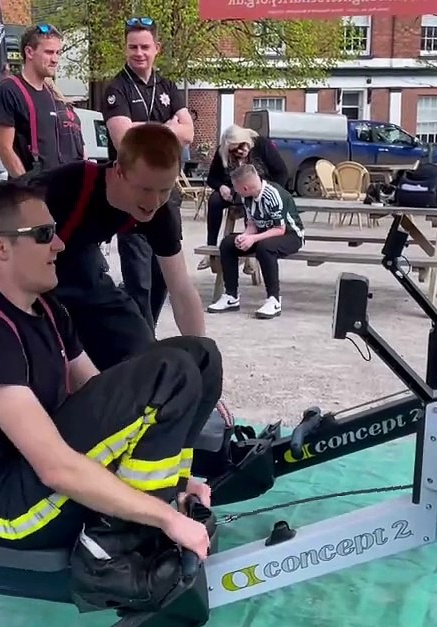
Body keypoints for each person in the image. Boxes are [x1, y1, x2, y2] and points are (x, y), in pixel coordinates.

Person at [0, 179, 222, 610]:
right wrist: (165, 518)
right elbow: (55, 468)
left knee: (198, 357)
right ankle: (106, 559)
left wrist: (175, 479)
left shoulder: (46, 309)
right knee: (168, 372)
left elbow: (100, 396)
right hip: (14, 510)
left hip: (41, 482)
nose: (61, 244)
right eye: (45, 234)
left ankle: (146, 513)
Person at [37, 122, 207, 371]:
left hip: (85, 269)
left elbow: (181, 288)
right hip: (33, 271)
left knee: (139, 347)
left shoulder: (161, 211)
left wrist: (203, 361)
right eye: (145, 189)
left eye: (165, 190)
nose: (153, 202)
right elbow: (2, 236)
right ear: (118, 171)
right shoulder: (66, 186)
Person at [101, 16, 194, 328]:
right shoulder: (117, 88)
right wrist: (167, 128)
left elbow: (190, 131)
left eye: (144, 47)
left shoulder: (166, 86)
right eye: (132, 47)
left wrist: (148, 129)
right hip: (132, 195)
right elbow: (123, 137)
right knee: (138, 278)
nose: (138, 53)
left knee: (164, 273)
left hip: (167, 194)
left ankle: (146, 332)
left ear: (157, 49)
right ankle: (140, 342)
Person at [207, 163, 305, 320]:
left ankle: (274, 299)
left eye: (235, 188)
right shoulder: (247, 197)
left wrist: (253, 239)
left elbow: (279, 229)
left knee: (265, 248)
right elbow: (252, 223)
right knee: (228, 243)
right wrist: (245, 236)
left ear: (245, 188)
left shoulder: (273, 195)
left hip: (291, 235)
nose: (234, 190)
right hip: (263, 233)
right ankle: (231, 296)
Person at [0, 23, 85, 178]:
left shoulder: (54, 95)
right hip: (31, 193)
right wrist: (28, 190)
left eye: (58, 52)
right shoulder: (8, 91)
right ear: (29, 52)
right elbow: (5, 149)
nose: (55, 59)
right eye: (49, 52)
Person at [199, 123, 288, 270]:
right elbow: (212, 178)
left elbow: (281, 172)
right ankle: (211, 249)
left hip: (260, 189)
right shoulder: (222, 152)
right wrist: (221, 187)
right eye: (235, 150)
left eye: (243, 146)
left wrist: (269, 192)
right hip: (235, 191)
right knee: (214, 200)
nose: (242, 151)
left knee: (253, 204)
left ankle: (252, 255)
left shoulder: (261, 144)